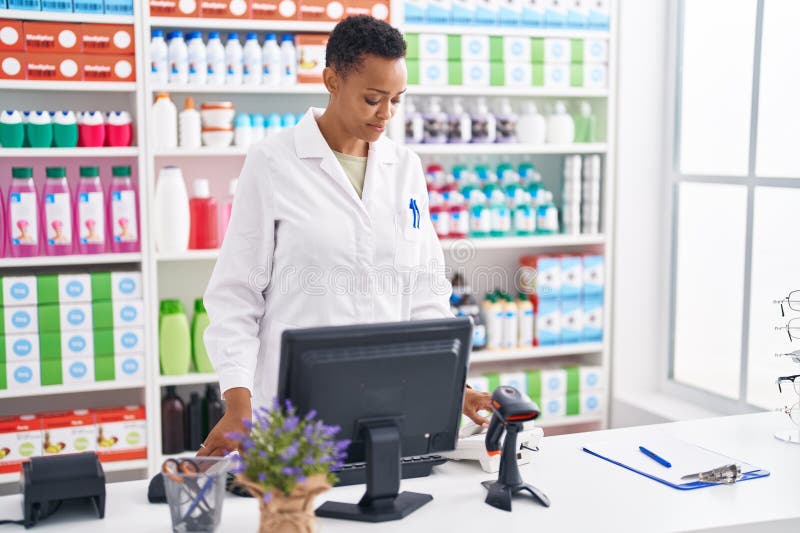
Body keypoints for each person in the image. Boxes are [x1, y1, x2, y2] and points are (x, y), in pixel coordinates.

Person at [198, 16, 492, 458]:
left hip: (390, 406)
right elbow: (237, 296)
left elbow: (425, 293)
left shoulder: (405, 168)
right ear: (332, 81)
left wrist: (455, 386)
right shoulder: (273, 162)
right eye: (373, 99)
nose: (386, 114)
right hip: (295, 413)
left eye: (396, 99)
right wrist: (239, 403)